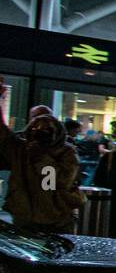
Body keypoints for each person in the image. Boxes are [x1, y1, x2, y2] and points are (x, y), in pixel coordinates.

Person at [0, 79, 84, 232]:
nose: (40, 128)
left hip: (55, 216)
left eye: (46, 124)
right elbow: (3, 134)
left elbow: (51, 183)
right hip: (24, 213)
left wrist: (41, 157)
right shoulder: (21, 148)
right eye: (36, 123)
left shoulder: (66, 151)